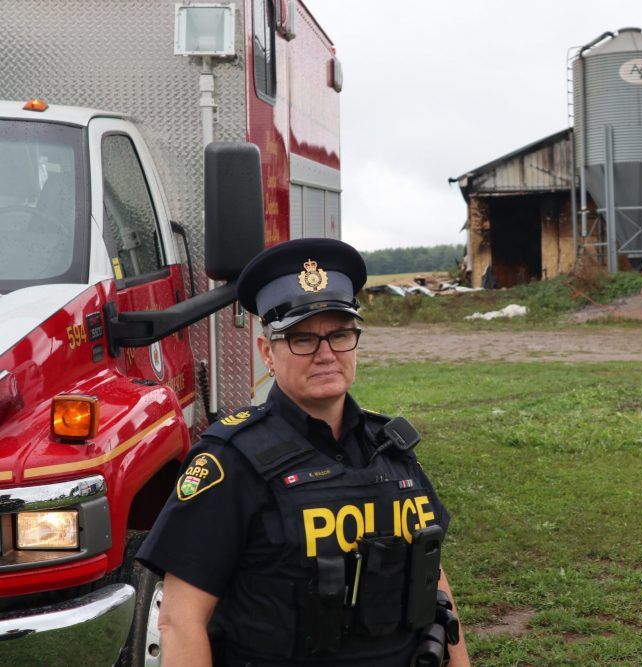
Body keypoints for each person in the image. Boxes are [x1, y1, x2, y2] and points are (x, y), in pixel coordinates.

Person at [137, 238, 470, 667]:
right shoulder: (230, 462)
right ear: (266, 353)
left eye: (339, 334)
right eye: (302, 339)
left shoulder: (393, 450)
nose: (326, 354)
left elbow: (435, 585)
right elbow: (180, 620)